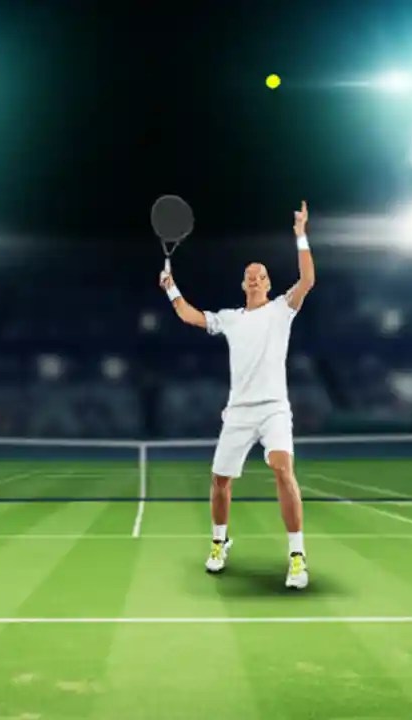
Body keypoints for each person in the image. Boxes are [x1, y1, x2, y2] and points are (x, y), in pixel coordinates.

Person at [158, 201, 315, 589]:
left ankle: (297, 556)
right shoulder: (229, 319)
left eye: (260, 275)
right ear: (243, 285)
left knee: (282, 467)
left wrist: (300, 234)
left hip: (274, 408)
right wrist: (170, 287)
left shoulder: (282, 310)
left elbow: (308, 279)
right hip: (239, 413)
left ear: (269, 283)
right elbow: (190, 316)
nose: (255, 279)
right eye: (249, 276)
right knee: (219, 481)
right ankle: (219, 541)